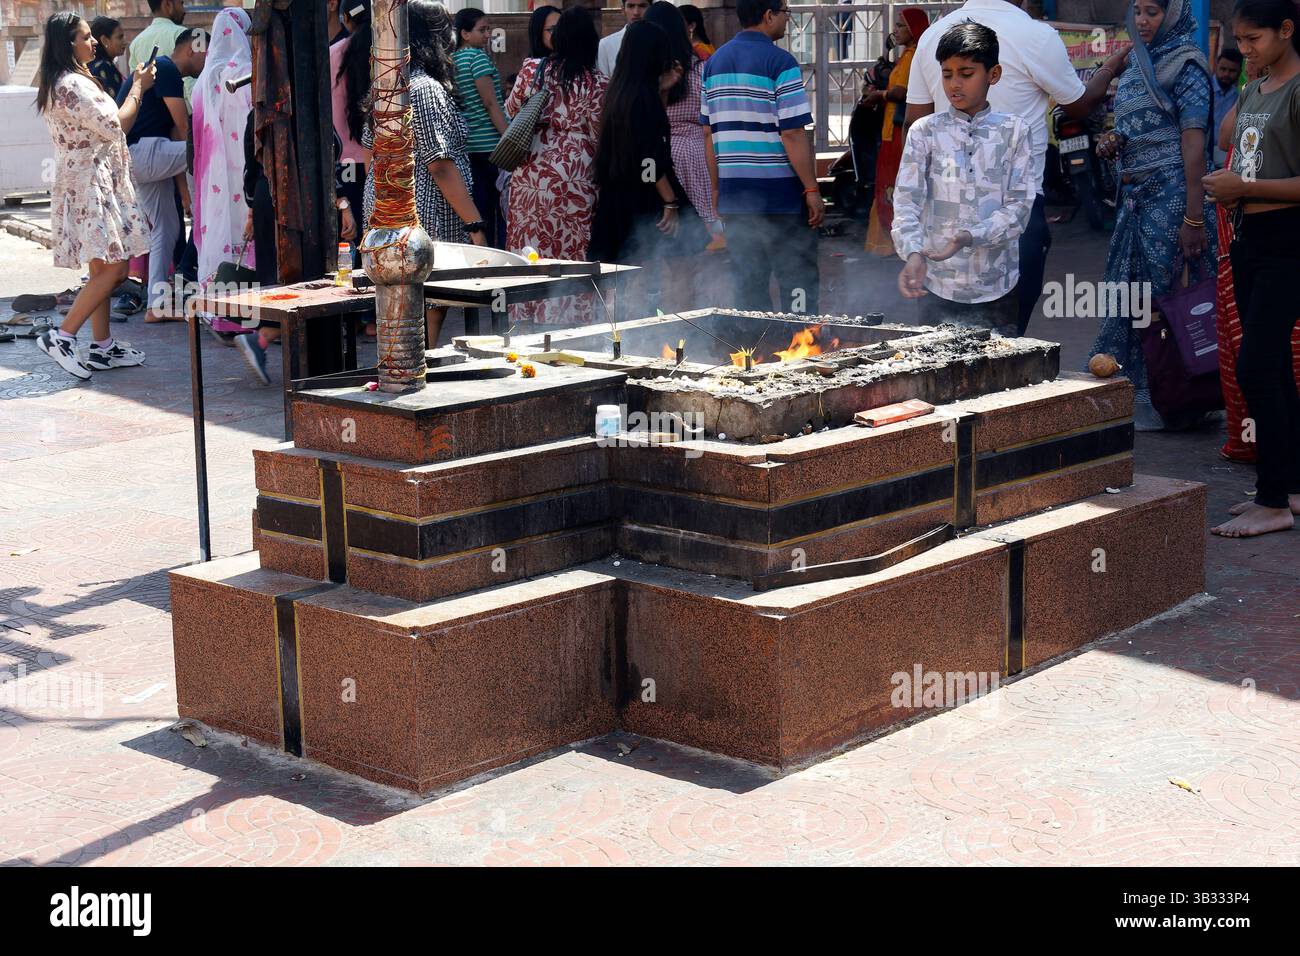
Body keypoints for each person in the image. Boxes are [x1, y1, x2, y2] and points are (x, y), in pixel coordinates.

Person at [906, 0, 1132, 336]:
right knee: (1004, 339)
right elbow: (1080, 104)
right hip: (1013, 209)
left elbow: (915, 120)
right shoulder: (1036, 35)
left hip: (945, 207)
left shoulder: (933, 35)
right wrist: (1109, 68)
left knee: (941, 340)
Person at [1091, 0, 1216, 432]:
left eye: (1154, 12)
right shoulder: (1138, 64)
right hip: (1135, 198)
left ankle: (1178, 398)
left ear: (1175, 15)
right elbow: (1132, 130)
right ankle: (1134, 393)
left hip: (1173, 197)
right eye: (1138, 11)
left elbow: (1193, 144)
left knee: (1168, 298)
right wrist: (1114, 142)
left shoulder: (1186, 64)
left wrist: (1194, 217)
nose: (1143, 21)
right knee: (1130, 294)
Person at [1204, 0, 1300, 537]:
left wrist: (1246, 188)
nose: (1245, 51)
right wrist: (1253, 81)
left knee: (1258, 366)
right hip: (1249, 238)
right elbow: (1226, 139)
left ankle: (1271, 501)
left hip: (1289, 239)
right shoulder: (1257, 85)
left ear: (1286, 30)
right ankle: (1291, 486)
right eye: (1239, 41)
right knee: (1273, 366)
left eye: (1255, 39)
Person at [34, 12, 154, 380]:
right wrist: (138, 87)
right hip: (90, 182)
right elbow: (117, 123)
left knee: (100, 265)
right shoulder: (73, 83)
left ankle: (102, 346)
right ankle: (63, 335)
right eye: (86, 37)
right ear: (68, 43)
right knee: (116, 267)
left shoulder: (63, 80)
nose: (94, 42)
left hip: (86, 179)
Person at [892, 23, 1035, 333]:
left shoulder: (1014, 131)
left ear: (993, 74)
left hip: (998, 285)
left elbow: (1019, 208)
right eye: (947, 74)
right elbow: (906, 201)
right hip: (937, 285)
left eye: (966, 74)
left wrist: (966, 237)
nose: (954, 84)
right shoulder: (924, 133)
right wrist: (913, 252)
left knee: (1001, 372)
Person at [365, 0, 485, 347]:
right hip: (422, 211)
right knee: (427, 301)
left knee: (408, 303)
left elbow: (367, 149)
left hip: (393, 208)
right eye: (444, 29)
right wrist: (475, 224)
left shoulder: (390, 83)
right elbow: (440, 164)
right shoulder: (425, 88)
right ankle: (419, 370)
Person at [700, 0, 824, 315]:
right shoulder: (780, 62)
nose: (787, 20)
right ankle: (801, 338)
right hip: (781, 196)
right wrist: (811, 189)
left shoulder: (713, 64)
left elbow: (708, 134)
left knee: (749, 281)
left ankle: (756, 347)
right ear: (769, 15)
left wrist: (717, 189)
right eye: (786, 13)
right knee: (797, 276)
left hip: (736, 197)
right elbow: (793, 134)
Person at [504, 6, 608, 326]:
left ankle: (527, 314)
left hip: (531, 170)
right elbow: (599, 133)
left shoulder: (532, 69)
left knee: (531, 246)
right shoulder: (600, 83)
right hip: (577, 174)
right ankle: (568, 318)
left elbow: (511, 112)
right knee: (571, 251)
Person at [589, 20, 691, 316]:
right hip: (644, 197)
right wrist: (670, 202)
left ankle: (626, 335)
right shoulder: (642, 98)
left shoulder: (622, 91)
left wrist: (662, 91)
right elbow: (648, 157)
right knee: (669, 266)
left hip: (620, 194)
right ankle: (676, 328)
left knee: (629, 273)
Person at [117, 29, 208, 323]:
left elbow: (174, 136)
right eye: (207, 51)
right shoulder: (166, 68)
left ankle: (156, 305)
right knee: (212, 148)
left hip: (140, 159)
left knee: (166, 228)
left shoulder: (162, 69)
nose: (210, 59)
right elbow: (184, 130)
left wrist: (184, 193)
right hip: (145, 153)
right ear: (193, 49)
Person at [645, 1, 720, 261]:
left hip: (657, 160)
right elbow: (711, 123)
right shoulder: (699, 68)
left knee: (659, 244)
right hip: (698, 155)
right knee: (695, 247)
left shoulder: (645, 73)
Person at [193, 8, 253, 293]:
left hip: (213, 174)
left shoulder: (203, 81)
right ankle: (248, 309)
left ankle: (221, 306)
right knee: (244, 226)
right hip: (243, 165)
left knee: (222, 226)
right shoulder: (245, 72)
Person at [863, 8, 928, 256]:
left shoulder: (914, 56)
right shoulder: (904, 56)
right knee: (887, 184)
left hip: (902, 130)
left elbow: (901, 92)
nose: (896, 31)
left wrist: (878, 95)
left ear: (913, 30)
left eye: (901, 26)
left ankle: (897, 244)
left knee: (894, 185)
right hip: (891, 128)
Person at [454, 8, 508, 247]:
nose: (488, 34)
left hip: (467, 146)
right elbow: (490, 103)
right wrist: (508, 137)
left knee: (480, 209)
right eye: (482, 29)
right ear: (465, 33)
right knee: (500, 212)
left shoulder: (453, 60)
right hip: (490, 146)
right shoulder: (478, 58)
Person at [332, 0, 372, 252]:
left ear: (345, 19)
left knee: (347, 245)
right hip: (377, 160)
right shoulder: (387, 53)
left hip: (342, 163)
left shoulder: (331, 54)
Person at [598, 0, 650, 76]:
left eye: (642, 6)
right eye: (631, 6)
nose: (636, 12)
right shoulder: (606, 45)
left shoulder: (660, 42)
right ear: (623, 10)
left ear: (651, 9)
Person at [1212, 47, 1244, 165]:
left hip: (1223, 152)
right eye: (1223, 69)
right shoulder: (1203, 89)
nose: (1226, 74)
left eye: (1232, 71)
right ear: (1216, 66)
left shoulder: (1238, 96)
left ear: (1239, 72)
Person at [88, 16, 126, 98]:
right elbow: (117, 103)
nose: (125, 42)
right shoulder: (104, 67)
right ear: (104, 40)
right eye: (120, 37)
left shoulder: (93, 63)